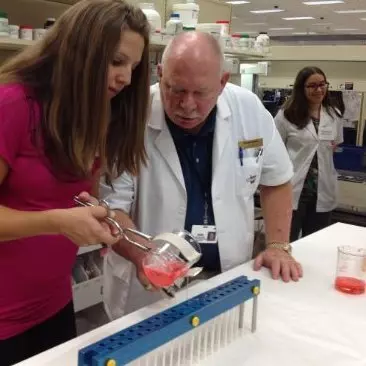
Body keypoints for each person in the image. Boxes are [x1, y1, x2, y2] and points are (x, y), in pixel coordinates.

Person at [98, 31, 303, 320]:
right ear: (160, 74)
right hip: (150, 290)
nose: (187, 105)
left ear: (222, 82)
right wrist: (146, 256)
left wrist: (278, 246)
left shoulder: (248, 110)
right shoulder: (132, 117)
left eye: (200, 93)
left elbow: (277, 179)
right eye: (176, 90)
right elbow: (112, 208)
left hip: (228, 276)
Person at [0, 0, 150, 364]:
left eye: (133, 66)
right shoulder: (13, 104)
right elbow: (59, 215)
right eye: (116, 62)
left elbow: (85, 202)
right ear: (78, 52)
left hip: (53, 307)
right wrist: (56, 221)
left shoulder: (91, 115)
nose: (126, 79)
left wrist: (122, 232)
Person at [274, 67, 343, 242]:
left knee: (316, 242)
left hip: (322, 189)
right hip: (294, 187)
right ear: (301, 88)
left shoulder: (334, 114)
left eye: (322, 84)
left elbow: (335, 143)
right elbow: (273, 149)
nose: (319, 90)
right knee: (286, 241)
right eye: (312, 86)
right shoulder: (286, 116)